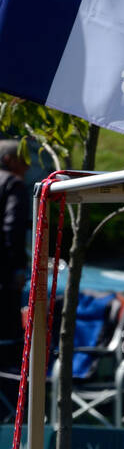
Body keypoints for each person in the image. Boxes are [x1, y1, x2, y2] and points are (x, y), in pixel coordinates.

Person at [0, 141, 27, 403]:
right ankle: (10, 408)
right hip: (3, 282)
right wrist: (16, 269)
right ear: (9, 160)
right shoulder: (12, 185)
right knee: (8, 345)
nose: (28, 166)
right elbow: (13, 231)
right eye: (24, 159)